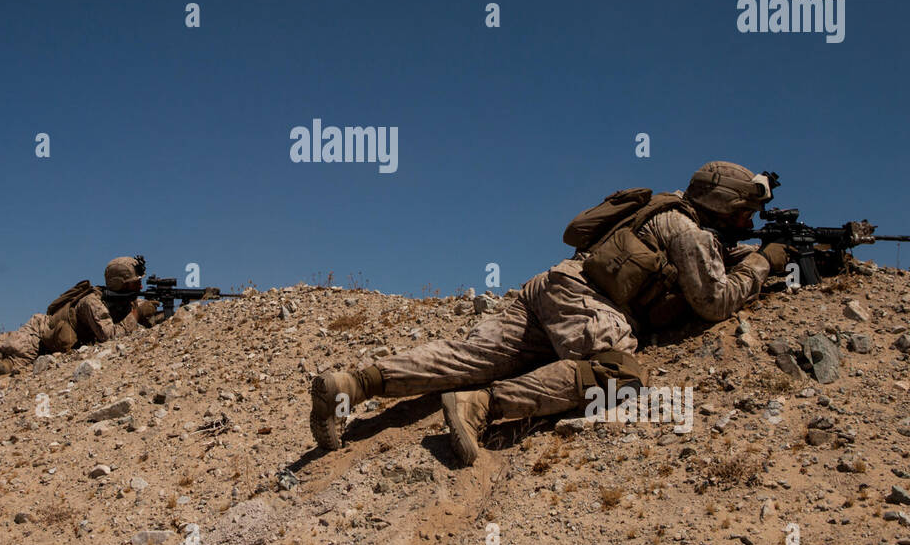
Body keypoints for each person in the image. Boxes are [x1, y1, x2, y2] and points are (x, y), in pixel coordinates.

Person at [309, 161, 791, 465]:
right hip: (588, 305)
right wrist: (764, 263)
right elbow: (713, 302)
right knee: (619, 374)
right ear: (725, 204)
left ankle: (354, 384)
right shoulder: (692, 233)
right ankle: (482, 406)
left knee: (471, 355)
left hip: (551, 286)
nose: (749, 221)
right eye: (745, 211)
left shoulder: (660, 209)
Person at [0, 256, 156, 380]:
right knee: (9, 362)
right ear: (119, 284)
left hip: (46, 341)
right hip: (37, 333)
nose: (139, 285)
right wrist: (136, 314)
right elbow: (109, 336)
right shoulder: (93, 302)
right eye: (135, 282)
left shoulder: (118, 299)